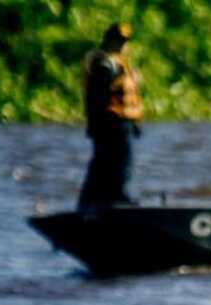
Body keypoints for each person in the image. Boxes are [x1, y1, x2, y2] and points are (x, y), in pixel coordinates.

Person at [78, 22, 143, 209]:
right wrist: (97, 125)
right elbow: (96, 99)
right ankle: (118, 200)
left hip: (123, 122)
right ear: (108, 40)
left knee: (103, 164)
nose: (122, 45)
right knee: (120, 163)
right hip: (112, 123)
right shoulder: (104, 64)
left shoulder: (120, 63)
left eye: (125, 41)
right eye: (118, 41)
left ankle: (91, 202)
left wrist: (135, 123)